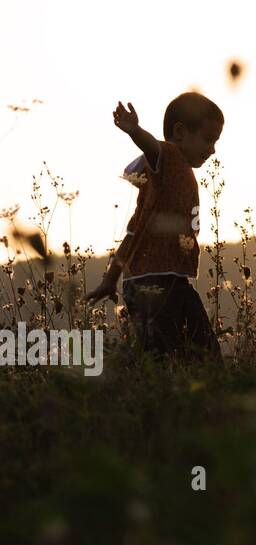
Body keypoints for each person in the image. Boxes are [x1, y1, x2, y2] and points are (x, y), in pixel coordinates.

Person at [86, 93, 224, 360]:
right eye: (208, 139)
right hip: (155, 282)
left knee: (201, 347)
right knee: (168, 354)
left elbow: (132, 235)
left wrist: (110, 279)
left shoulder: (169, 179)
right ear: (180, 132)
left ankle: (196, 388)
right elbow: (154, 148)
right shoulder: (171, 157)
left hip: (166, 278)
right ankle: (159, 393)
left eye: (216, 141)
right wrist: (135, 131)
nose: (213, 149)